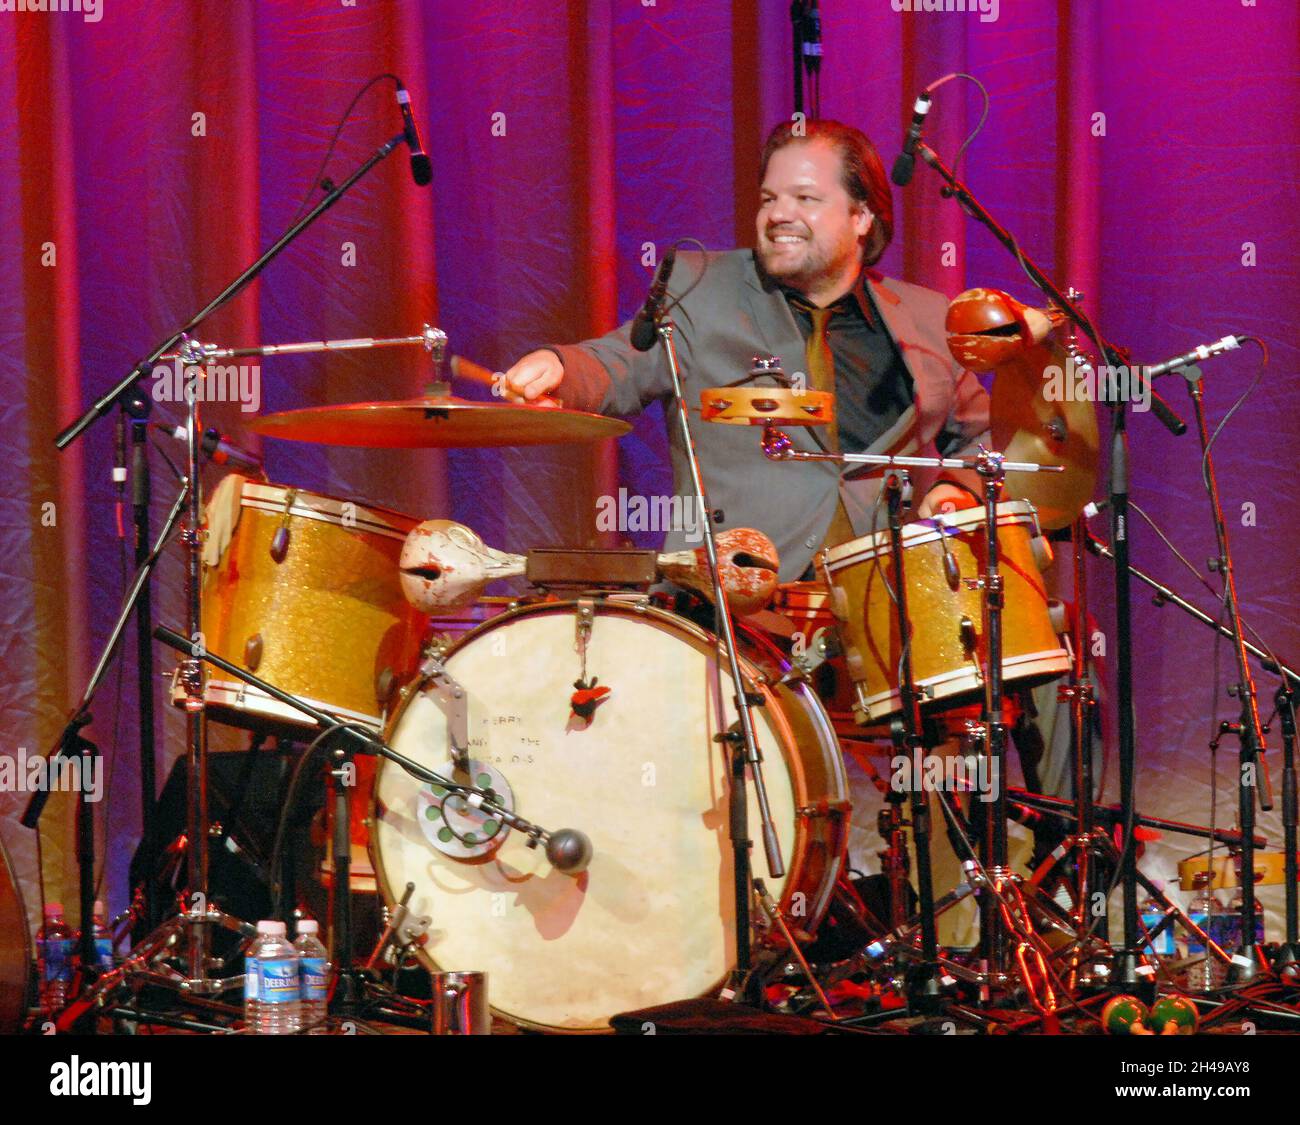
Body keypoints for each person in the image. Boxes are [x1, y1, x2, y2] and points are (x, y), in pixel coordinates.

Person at [503, 119, 990, 582]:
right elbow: (620, 363)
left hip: (882, 610)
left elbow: (987, 435)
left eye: (805, 198)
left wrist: (958, 489)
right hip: (736, 605)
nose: (779, 214)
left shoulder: (927, 317)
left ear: (861, 217)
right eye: (769, 198)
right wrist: (560, 367)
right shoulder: (700, 287)